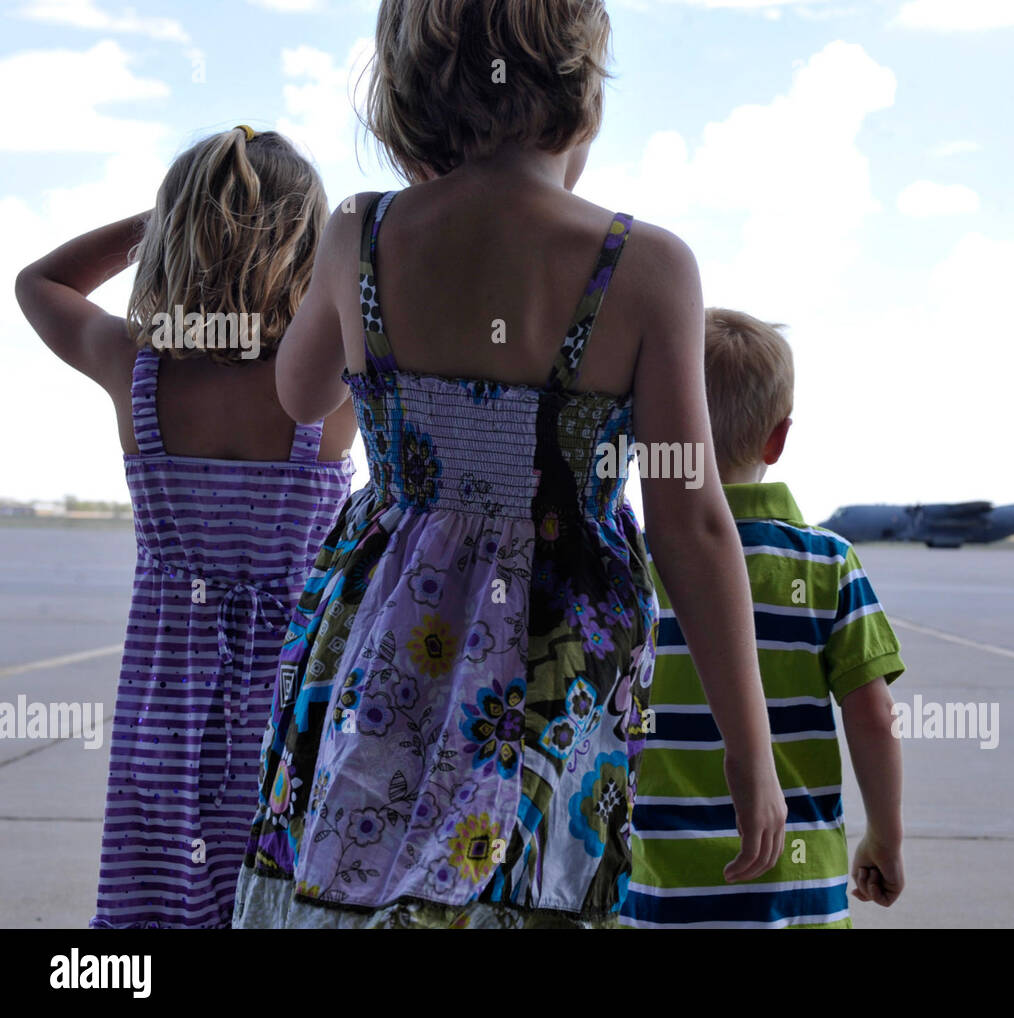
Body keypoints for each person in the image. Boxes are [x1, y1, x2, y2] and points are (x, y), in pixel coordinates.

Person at [232, 0, 785, 930]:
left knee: (356, 864)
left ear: (410, 87)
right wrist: (749, 747)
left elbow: (299, 394)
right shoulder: (644, 266)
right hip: (550, 656)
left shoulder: (358, 235)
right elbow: (691, 520)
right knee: (526, 885)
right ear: (582, 88)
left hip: (383, 634)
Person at [14, 126, 357, 927]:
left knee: (159, 893)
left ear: (174, 235)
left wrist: (171, 215)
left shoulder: (133, 366)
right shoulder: (332, 384)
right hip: (292, 697)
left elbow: (40, 282)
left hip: (166, 698)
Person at [620, 308, 906, 928]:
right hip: (794, 892)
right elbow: (874, 717)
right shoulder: (828, 565)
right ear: (778, 439)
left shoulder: (631, 565)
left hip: (654, 890)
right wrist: (886, 837)